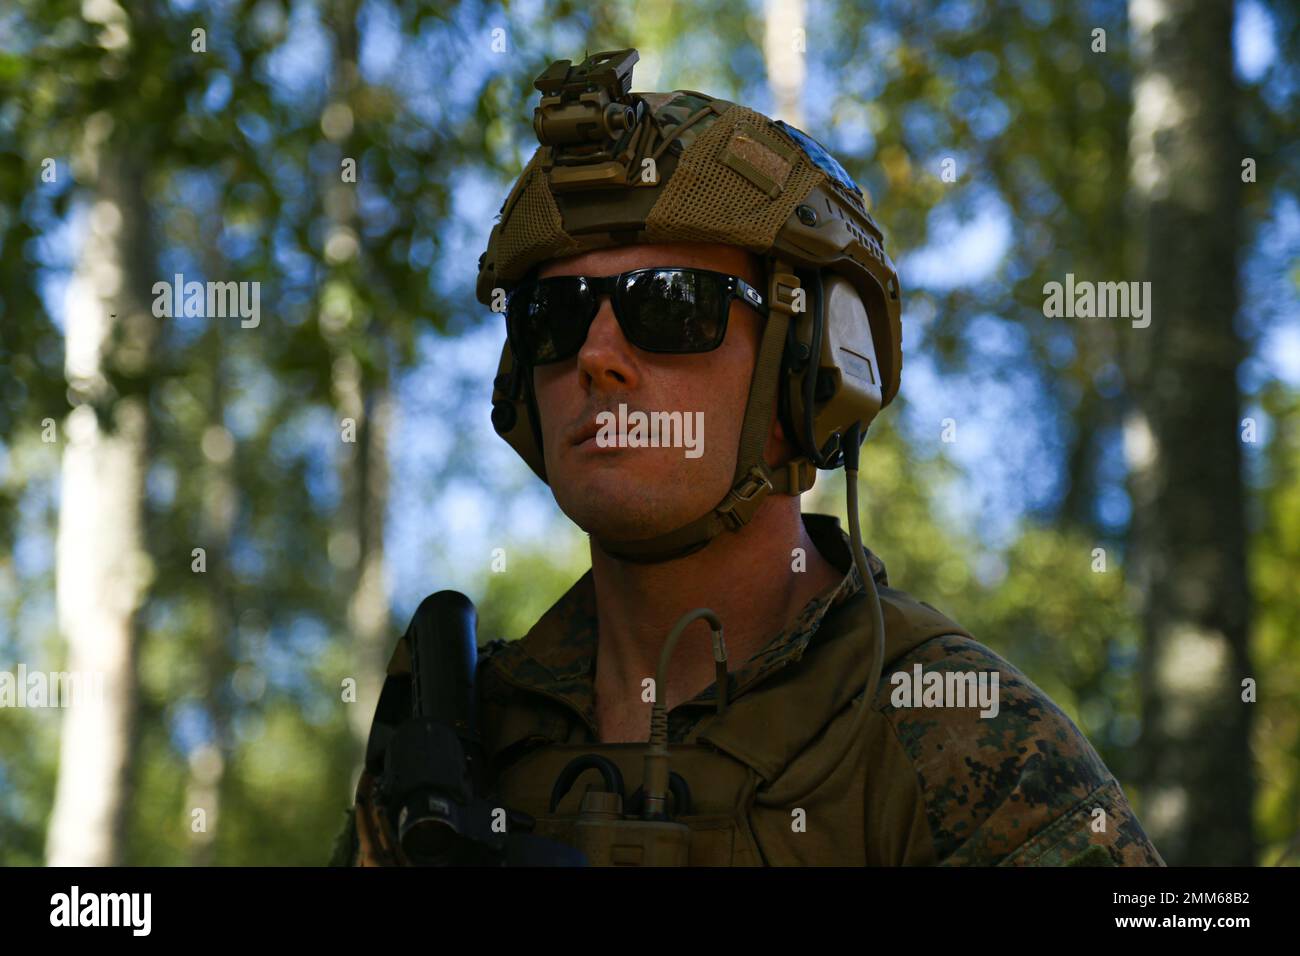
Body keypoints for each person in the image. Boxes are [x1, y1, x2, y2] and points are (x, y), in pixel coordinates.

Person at [331, 49, 1164, 867]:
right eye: (558, 313)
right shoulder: (456, 747)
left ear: (810, 373)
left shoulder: (959, 737)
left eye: (670, 304)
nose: (596, 354)